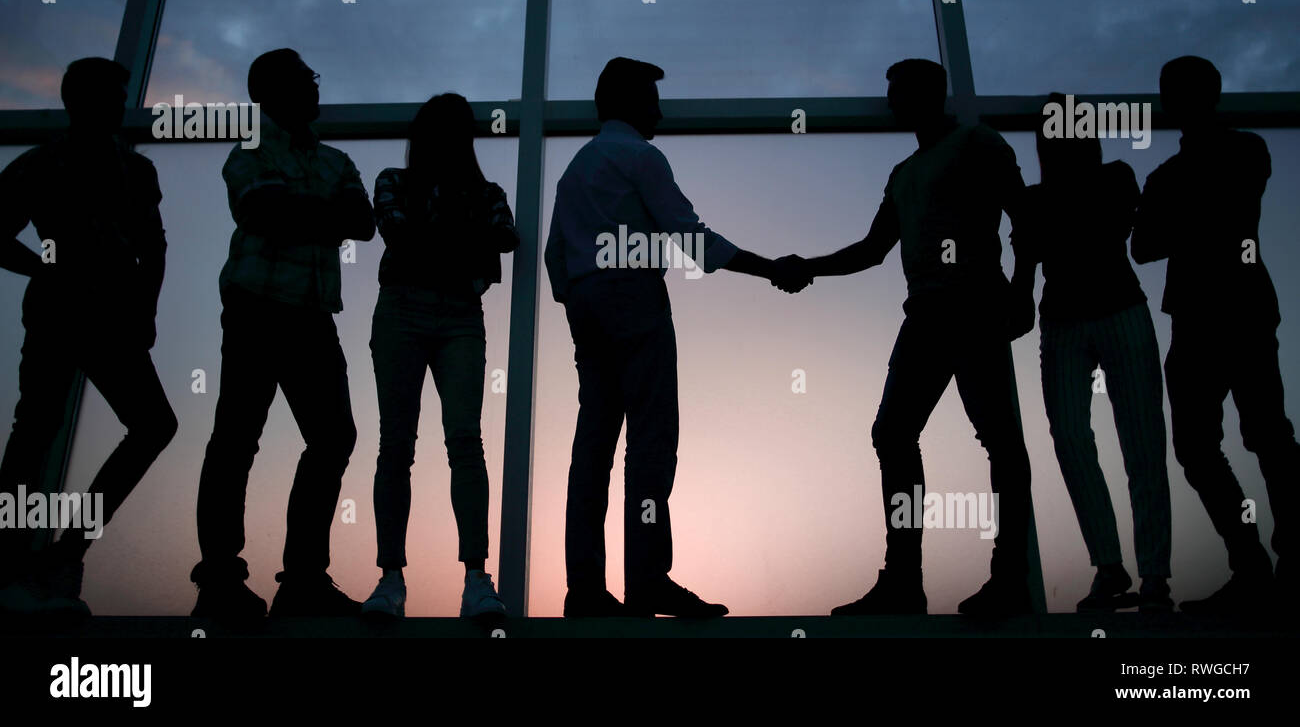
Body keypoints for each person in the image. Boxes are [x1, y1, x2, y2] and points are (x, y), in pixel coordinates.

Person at [544, 56, 806, 619]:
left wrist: (579, 297)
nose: (659, 109)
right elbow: (691, 238)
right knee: (651, 442)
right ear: (629, 103)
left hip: (588, 304)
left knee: (593, 446)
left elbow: (553, 258)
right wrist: (769, 269)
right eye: (651, 98)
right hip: (633, 298)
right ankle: (647, 581)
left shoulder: (575, 169)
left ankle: (585, 588)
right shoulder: (642, 157)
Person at [783, 59, 1037, 616]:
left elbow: (1025, 217)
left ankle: (1010, 578)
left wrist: (1022, 290)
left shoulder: (978, 143)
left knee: (998, 439)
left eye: (897, 92)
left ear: (928, 93)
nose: (891, 102)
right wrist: (809, 267)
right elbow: (872, 250)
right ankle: (903, 581)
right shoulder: (903, 173)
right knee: (892, 433)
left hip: (975, 305)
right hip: (924, 316)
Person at [190, 49, 375, 621]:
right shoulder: (250, 146)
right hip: (255, 308)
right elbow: (263, 211)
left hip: (312, 316)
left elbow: (362, 224)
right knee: (237, 437)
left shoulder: (335, 159)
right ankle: (221, 580)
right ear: (271, 90)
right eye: (304, 78)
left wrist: (297, 207)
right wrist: (320, 211)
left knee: (332, 437)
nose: (315, 85)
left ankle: (301, 581)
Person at [0, 57, 177, 616]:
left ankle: (61, 552)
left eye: (121, 95)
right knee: (37, 431)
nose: (119, 106)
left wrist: (144, 310)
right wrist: (47, 271)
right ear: (78, 100)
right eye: (110, 95)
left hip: (111, 314)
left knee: (147, 426)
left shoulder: (131, 169)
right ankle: (16, 565)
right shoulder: (41, 165)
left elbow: (154, 245)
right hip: (62, 310)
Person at [1131, 55, 1299, 614]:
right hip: (1198, 320)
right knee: (1202, 449)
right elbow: (1145, 245)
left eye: (1177, 90)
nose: (1170, 100)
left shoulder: (1241, 151)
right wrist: (1192, 218)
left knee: (1267, 437)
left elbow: (1193, 223)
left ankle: (1278, 566)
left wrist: (1181, 217)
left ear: (1209, 94)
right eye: (1167, 90)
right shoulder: (1173, 174)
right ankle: (1252, 567)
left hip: (1239, 312)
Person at [361, 93, 519, 621]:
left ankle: (471, 578)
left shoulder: (477, 191)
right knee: (401, 444)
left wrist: (446, 244)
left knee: (459, 441)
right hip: (416, 311)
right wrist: (466, 244)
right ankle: (394, 578)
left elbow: (502, 241)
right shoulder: (399, 182)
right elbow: (402, 235)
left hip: (447, 313)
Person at [1014, 93, 1172, 613]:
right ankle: (1114, 566)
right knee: (1076, 440)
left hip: (1113, 311)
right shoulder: (1056, 195)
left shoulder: (1110, 179)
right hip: (1069, 318)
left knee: (1140, 438)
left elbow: (1100, 233)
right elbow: (1034, 258)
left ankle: (1148, 574)